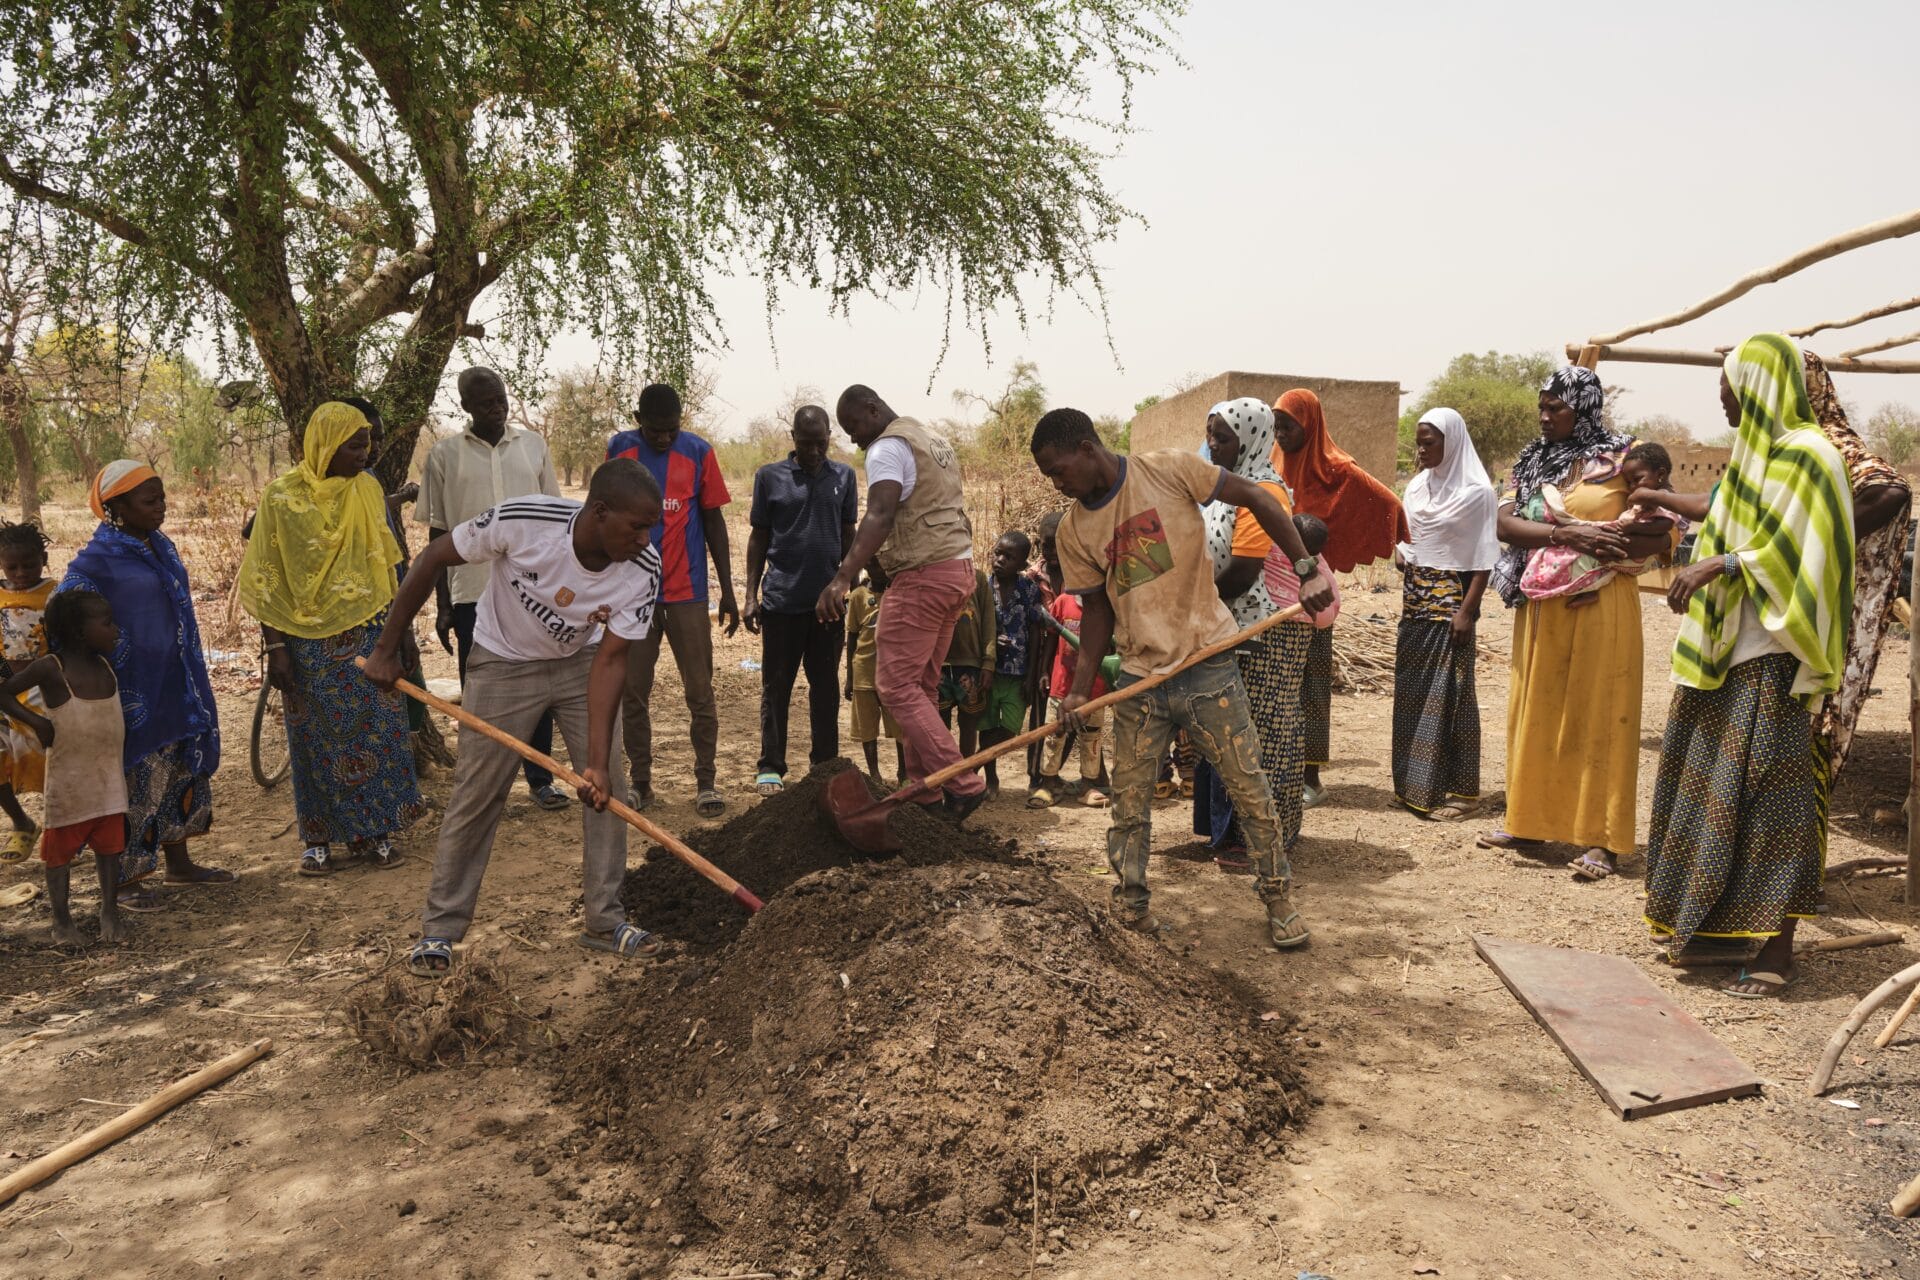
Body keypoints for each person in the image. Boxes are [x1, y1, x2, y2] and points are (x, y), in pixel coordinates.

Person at [1031, 407, 1333, 949]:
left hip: (1207, 664)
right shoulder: (1076, 531)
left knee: (1249, 788)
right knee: (1129, 803)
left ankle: (1279, 899)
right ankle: (1130, 906)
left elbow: (1260, 498)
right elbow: (1097, 611)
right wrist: (1078, 690)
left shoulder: (1168, 470)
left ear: (1085, 447)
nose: (1058, 485)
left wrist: (1306, 568)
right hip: (1141, 679)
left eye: (1058, 471)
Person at [362, 459, 666, 976]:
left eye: (650, 528)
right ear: (598, 512)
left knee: (607, 786)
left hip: (581, 664)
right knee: (477, 794)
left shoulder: (642, 568)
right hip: (502, 663)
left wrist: (593, 763)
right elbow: (435, 556)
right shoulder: (526, 522)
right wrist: (386, 649)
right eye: (636, 526)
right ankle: (440, 930)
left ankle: (604, 920)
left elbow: (612, 660)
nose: (645, 538)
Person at [1644, 334, 1853, 997]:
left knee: (1773, 803)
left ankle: (1778, 954)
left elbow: (1808, 547)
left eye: (1729, 385)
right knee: (1706, 791)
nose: (1722, 397)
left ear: (1760, 385)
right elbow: (1724, 517)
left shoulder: (1812, 458)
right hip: (1721, 652)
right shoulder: (1749, 459)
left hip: (1776, 658)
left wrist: (1723, 563)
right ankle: (1712, 929)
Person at [1479, 367, 1671, 881]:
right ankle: (1528, 821)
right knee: (1537, 708)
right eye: (1541, 407)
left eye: (1556, 408)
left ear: (1584, 407)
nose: (1545, 417)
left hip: (1603, 602)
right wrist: (1572, 539)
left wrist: (1601, 548)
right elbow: (1505, 525)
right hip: (1543, 605)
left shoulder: (1627, 458)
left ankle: (1603, 840)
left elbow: (1662, 533)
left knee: (1601, 714)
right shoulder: (1531, 460)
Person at [238, 400, 424, 876]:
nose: (366, 453)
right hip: (305, 644)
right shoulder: (281, 498)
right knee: (313, 741)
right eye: (355, 445)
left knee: (377, 735)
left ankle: (375, 833)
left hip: (369, 636)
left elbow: (387, 563)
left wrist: (399, 635)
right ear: (325, 445)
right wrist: (276, 647)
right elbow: (265, 577)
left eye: (367, 444)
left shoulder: (368, 489)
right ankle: (317, 840)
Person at [61, 462, 232, 906]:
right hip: (133, 689)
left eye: (161, 497)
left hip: (176, 680)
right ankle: (126, 880)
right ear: (115, 507)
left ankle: (178, 862)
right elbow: (64, 618)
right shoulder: (95, 563)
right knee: (138, 778)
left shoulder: (160, 547)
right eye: (149, 500)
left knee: (180, 768)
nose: (162, 506)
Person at [815, 385, 986, 822]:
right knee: (921, 688)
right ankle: (921, 789)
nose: (853, 439)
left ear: (872, 410)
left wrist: (842, 577)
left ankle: (962, 782)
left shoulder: (887, 448)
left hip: (923, 577)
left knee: (894, 687)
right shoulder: (931, 439)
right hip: (957, 572)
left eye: (854, 427)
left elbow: (880, 514)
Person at [419, 367, 568, 809]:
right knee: (480, 687)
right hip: (473, 591)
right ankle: (486, 786)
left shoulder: (533, 446)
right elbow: (438, 535)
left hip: (534, 591)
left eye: (500, 398)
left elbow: (557, 522)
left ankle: (541, 778)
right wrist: (442, 605)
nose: (496, 407)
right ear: (465, 406)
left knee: (540, 683)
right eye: (485, 402)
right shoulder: (444, 455)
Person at [606, 383, 737, 817]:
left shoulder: (699, 452)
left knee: (700, 691)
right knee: (632, 692)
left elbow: (714, 522)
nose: (664, 438)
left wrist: (728, 590)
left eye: (671, 429)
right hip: (632, 594)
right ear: (638, 419)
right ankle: (641, 783)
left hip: (687, 593)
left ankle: (706, 782)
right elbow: (602, 518)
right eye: (656, 430)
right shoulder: (620, 450)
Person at [1272, 388, 1406, 807]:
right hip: (1273, 597)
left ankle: (1310, 777)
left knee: (1311, 686)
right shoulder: (1270, 465)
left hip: (1312, 599)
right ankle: (1282, 771)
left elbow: (1389, 503)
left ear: (1310, 425)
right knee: (1277, 688)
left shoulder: (1336, 469)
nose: (1280, 433)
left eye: (1288, 426)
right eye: (1276, 425)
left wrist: (1403, 543)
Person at [1191, 398, 1310, 868]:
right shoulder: (1222, 491)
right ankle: (1230, 832)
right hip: (1227, 622)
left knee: (1264, 732)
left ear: (1253, 438)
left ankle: (1267, 838)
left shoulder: (1265, 492)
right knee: (1228, 733)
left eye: (1223, 438)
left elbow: (1242, 572)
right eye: (1211, 436)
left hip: (1263, 629)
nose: (1213, 446)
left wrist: (1193, 609)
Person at [1799, 351, 1912, 838]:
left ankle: (1796, 872)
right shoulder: (1782, 446)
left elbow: (1891, 491)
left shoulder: (1829, 444)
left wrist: (1809, 541)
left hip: (1825, 620)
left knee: (1810, 734)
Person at [0, 590, 128, 946]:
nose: (115, 629)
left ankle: (109, 911)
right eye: (107, 623)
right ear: (78, 631)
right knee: (58, 854)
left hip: (108, 782)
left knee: (110, 847)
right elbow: (4, 693)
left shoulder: (105, 666)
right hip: (69, 785)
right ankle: (61, 921)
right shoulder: (52, 669)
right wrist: (36, 723)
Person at [743, 405, 858, 795]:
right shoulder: (769, 477)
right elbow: (758, 538)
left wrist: (850, 585)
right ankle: (771, 766)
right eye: (806, 443)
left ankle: (824, 766)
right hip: (781, 602)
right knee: (776, 686)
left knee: (824, 686)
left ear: (830, 437)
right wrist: (749, 595)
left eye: (821, 443)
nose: (814, 451)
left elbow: (848, 533)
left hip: (828, 606)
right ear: (793, 437)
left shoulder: (843, 475)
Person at [1391, 408, 1498, 820]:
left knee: (1452, 698)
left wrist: (1467, 613)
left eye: (1429, 442)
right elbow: (1409, 537)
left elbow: (1483, 557)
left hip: (1450, 605)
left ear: (1451, 442)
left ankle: (1461, 792)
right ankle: (1415, 787)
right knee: (1412, 694)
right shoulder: (1418, 486)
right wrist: (1404, 553)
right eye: (1419, 441)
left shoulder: (1476, 493)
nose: (1421, 450)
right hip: (1414, 603)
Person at [1520, 442, 1684, 600]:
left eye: (1637, 480)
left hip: (1622, 567)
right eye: (1628, 483)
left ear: (1661, 475)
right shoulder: (1536, 457)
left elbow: (1669, 526)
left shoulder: (1633, 458)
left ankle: (1578, 585)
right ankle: (1584, 586)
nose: (1632, 487)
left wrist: (1631, 531)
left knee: (1594, 560)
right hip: (1614, 542)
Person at [0, 521, 55, 864]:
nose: (21, 573)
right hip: (4, 689)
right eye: (12, 567)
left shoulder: (56, 595)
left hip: (43, 690)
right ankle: (21, 822)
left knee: (56, 762)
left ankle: (62, 832)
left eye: (29, 565)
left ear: (43, 559)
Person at [983, 531, 1048, 800]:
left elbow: (1035, 633)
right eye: (998, 553)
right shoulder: (983, 589)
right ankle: (990, 778)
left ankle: (975, 760)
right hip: (988, 672)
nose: (1000, 560)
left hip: (1018, 673)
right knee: (985, 726)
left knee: (1010, 729)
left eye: (1008, 558)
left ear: (1022, 565)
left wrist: (1031, 675)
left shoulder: (1028, 590)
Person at [843, 567, 906, 783]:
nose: (880, 568)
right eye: (874, 563)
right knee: (867, 726)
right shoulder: (858, 596)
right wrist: (850, 677)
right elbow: (851, 638)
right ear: (867, 564)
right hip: (864, 672)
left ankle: (903, 772)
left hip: (893, 673)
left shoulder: (898, 592)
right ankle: (875, 775)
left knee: (900, 725)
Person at [937, 567, 996, 776]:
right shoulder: (935, 573)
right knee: (939, 724)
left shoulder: (978, 578)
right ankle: (943, 774)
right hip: (939, 663)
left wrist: (988, 662)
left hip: (971, 663)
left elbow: (989, 620)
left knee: (969, 723)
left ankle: (966, 775)